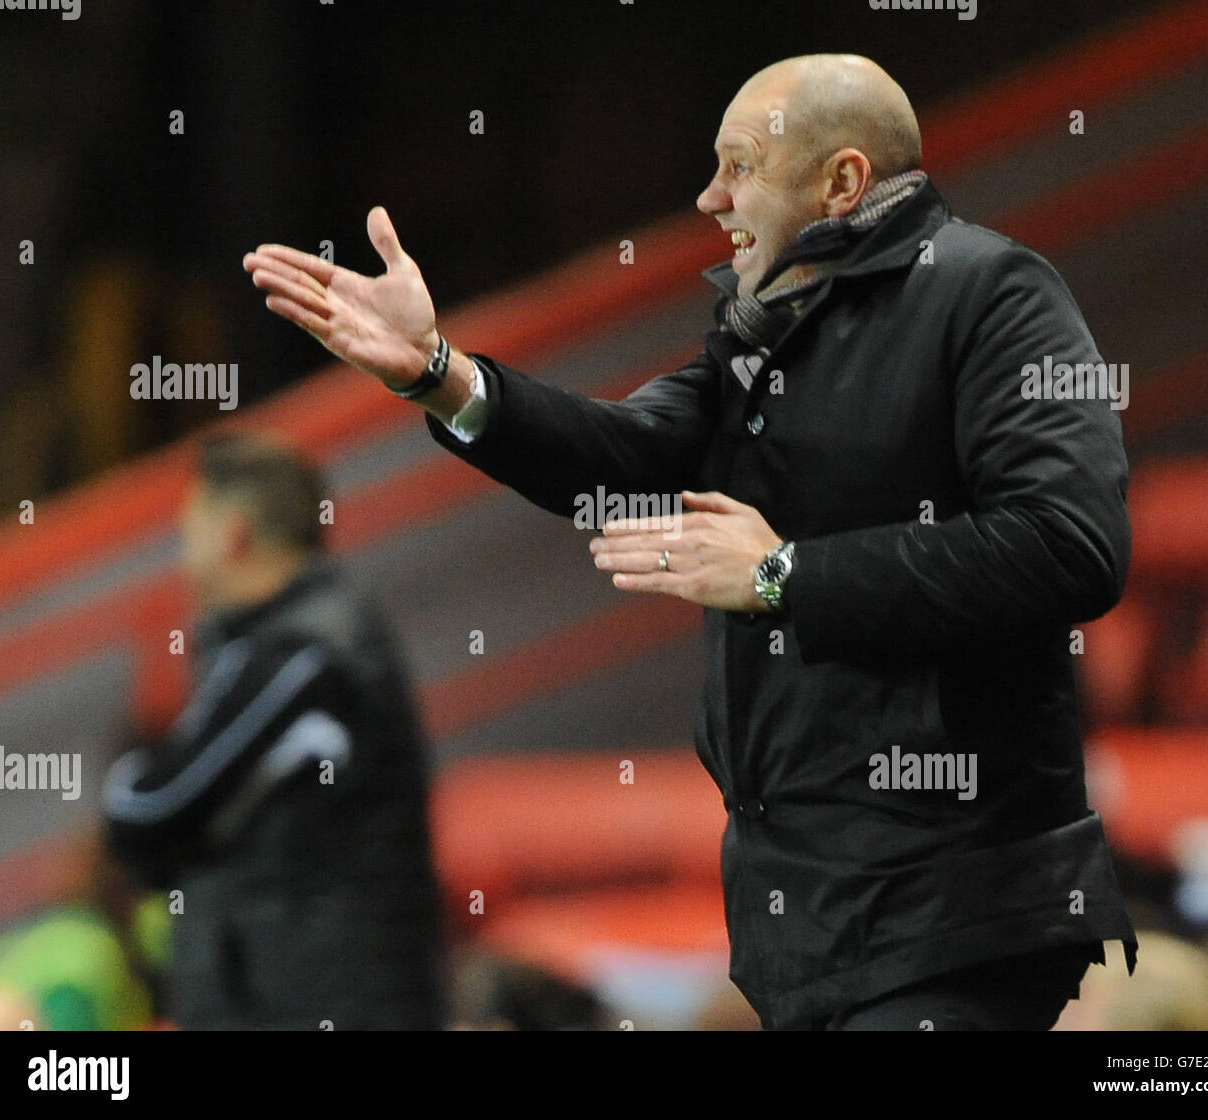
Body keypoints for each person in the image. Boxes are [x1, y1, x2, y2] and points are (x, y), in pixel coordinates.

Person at [243, 54, 1138, 1031]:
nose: (710, 197)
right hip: (808, 924)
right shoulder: (770, 323)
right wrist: (439, 373)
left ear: (841, 182)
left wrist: (782, 574)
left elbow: (1068, 543)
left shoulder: (996, 292)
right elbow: (621, 453)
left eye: (739, 166)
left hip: (955, 911)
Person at [102, 432, 446, 1029]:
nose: (182, 556)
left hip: (330, 1007)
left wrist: (125, 783)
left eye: (188, 531)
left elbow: (152, 805)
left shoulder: (301, 655)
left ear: (232, 533)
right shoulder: (266, 646)